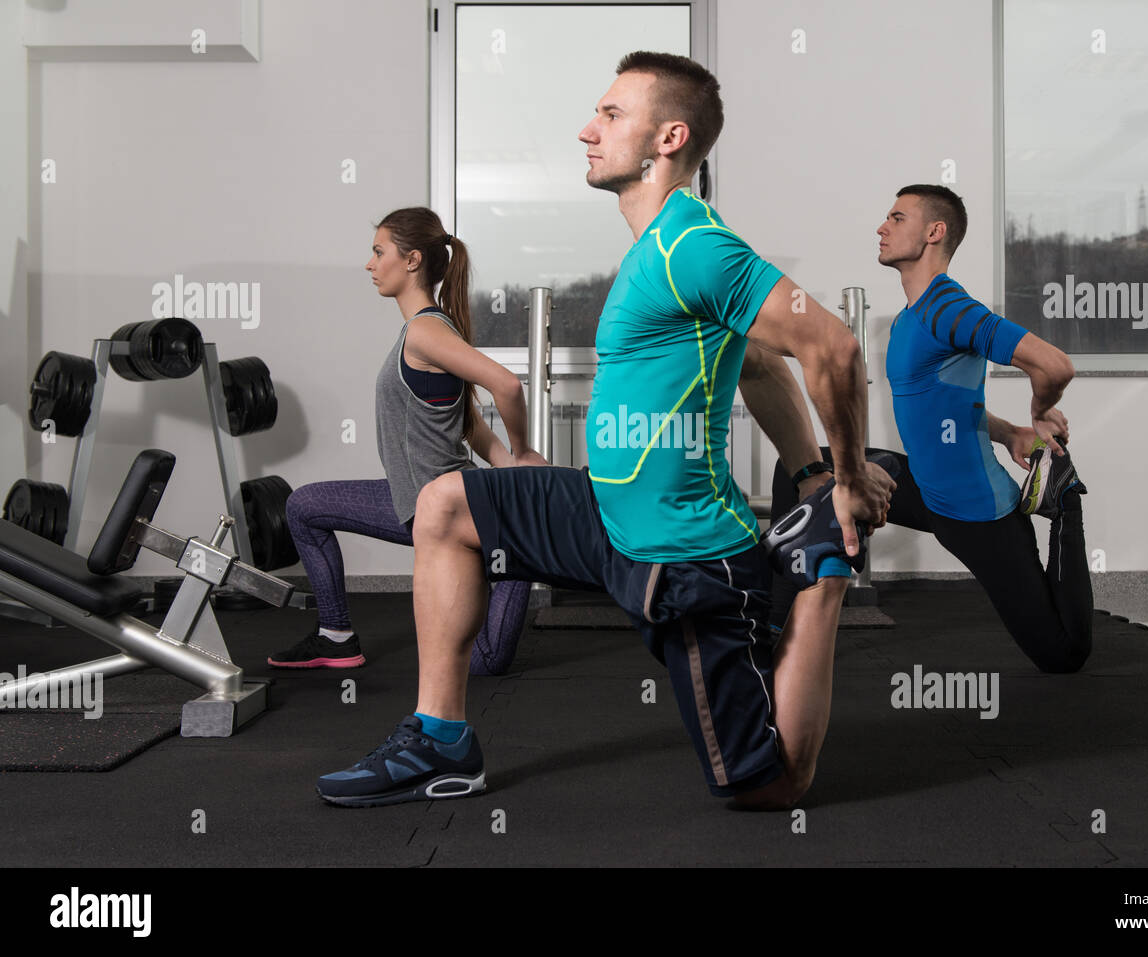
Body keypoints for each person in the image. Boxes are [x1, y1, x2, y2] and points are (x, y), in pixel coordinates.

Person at [315, 52, 895, 809]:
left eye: (612, 115)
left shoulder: (693, 245)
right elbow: (755, 362)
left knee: (768, 785)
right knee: (444, 506)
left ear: (669, 138)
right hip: (607, 512)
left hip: (682, 557)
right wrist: (813, 470)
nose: (589, 129)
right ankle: (440, 738)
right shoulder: (653, 248)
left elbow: (833, 345)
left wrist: (841, 484)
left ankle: (822, 570)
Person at [772, 185, 1092, 674]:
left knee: (1062, 654)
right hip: (920, 488)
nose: (883, 227)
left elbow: (1055, 366)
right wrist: (1007, 432)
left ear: (934, 233)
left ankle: (1065, 503)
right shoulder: (909, 318)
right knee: (799, 464)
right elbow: (946, 403)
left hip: (977, 514)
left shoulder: (949, 308)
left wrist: (1041, 409)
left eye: (897, 218)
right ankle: (776, 629)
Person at [270, 207, 545, 676]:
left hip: (443, 506)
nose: (370, 264)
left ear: (412, 259)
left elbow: (508, 385)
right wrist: (504, 461)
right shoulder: (426, 329)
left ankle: (520, 549)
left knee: (481, 664)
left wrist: (520, 454)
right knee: (303, 506)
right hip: (418, 501)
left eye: (379, 252)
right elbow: (465, 418)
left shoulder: (425, 330)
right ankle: (335, 637)